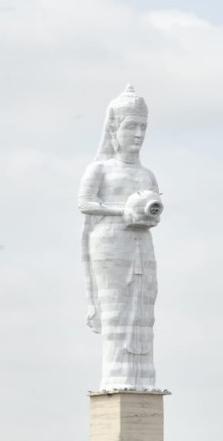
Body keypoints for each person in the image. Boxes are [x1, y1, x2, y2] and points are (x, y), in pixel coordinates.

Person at [78, 85, 164, 391]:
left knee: (143, 306)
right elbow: (85, 204)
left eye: (143, 127)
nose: (138, 134)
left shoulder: (147, 174)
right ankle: (115, 376)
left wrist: (146, 213)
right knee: (115, 309)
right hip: (110, 242)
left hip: (141, 243)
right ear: (114, 127)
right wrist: (124, 210)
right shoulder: (100, 168)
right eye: (131, 126)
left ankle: (144, 376)